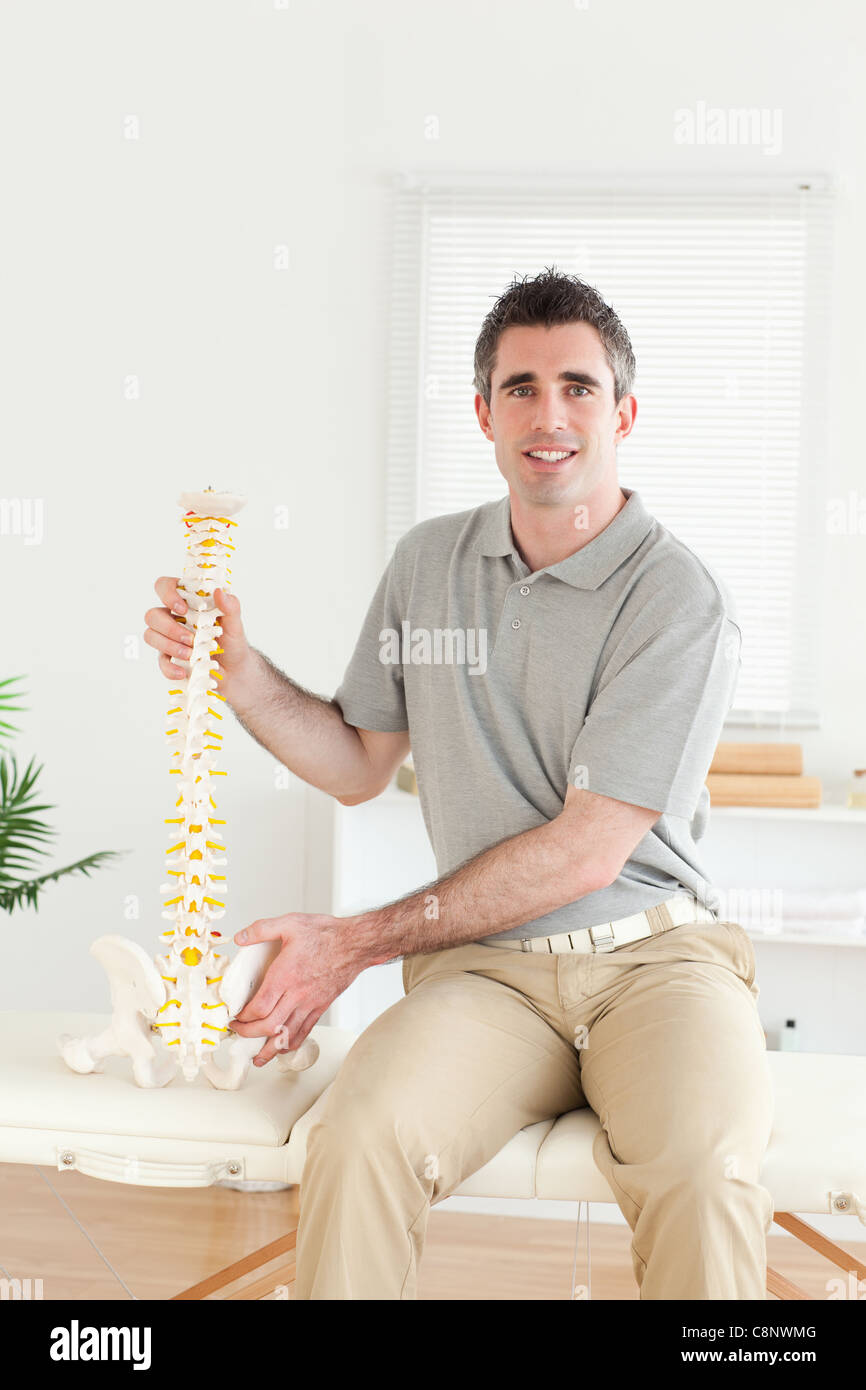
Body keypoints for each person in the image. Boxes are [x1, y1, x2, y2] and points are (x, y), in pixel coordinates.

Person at [144, 267, 774, 1301]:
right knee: (355, 1137)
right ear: (483, 414)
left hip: (656, 964)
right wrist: (239, 675)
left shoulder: (677, 597)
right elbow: (355, 764)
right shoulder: (428, 563)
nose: (549, 414)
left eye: (576, 386)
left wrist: (351, 941)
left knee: (703, 1172)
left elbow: (587, 847)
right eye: (519, 388)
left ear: (621, 412)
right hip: (485, 976)